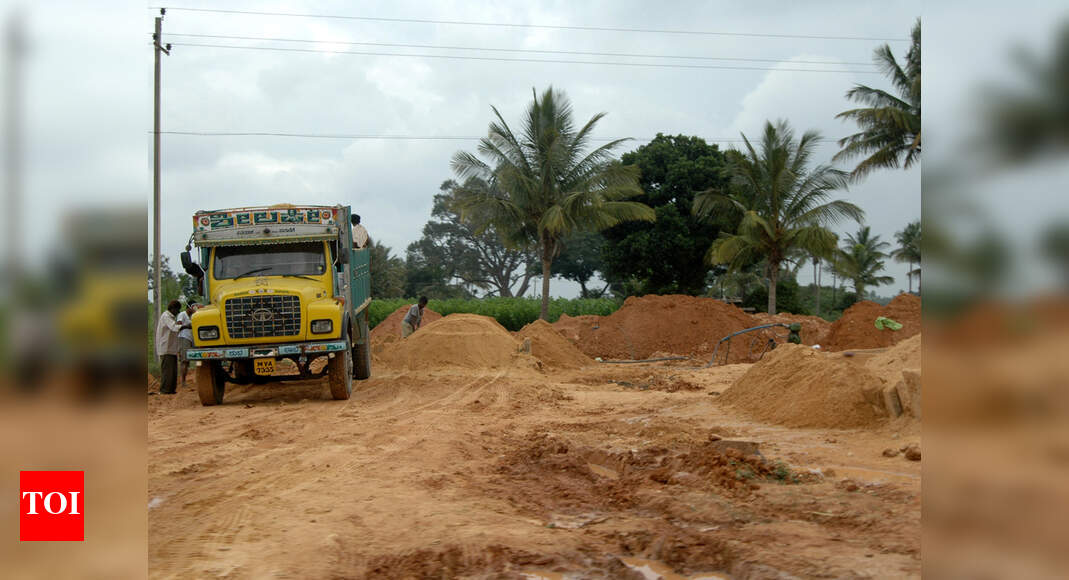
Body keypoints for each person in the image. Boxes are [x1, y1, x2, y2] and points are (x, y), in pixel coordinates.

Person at [155, 299, 191, 395]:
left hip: (171, 348)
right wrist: (187, 326)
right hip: (166, 348)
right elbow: (174, 327)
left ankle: (170, 389)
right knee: (167, 371)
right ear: (172, 308)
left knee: (173, 371)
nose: (178, 312)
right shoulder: (166, 316)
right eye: (177, 309)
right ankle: (165, 390)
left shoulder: (170, 317)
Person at [177, 302, 199, 389]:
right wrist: (187, 326)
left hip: (191, 338)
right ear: (189, 307)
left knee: (191, 360)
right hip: (184, 337)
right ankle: (183, 382)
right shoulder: (182, 314)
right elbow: (178, 326)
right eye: (194, 307)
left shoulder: (193, 316)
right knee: (184, 360)